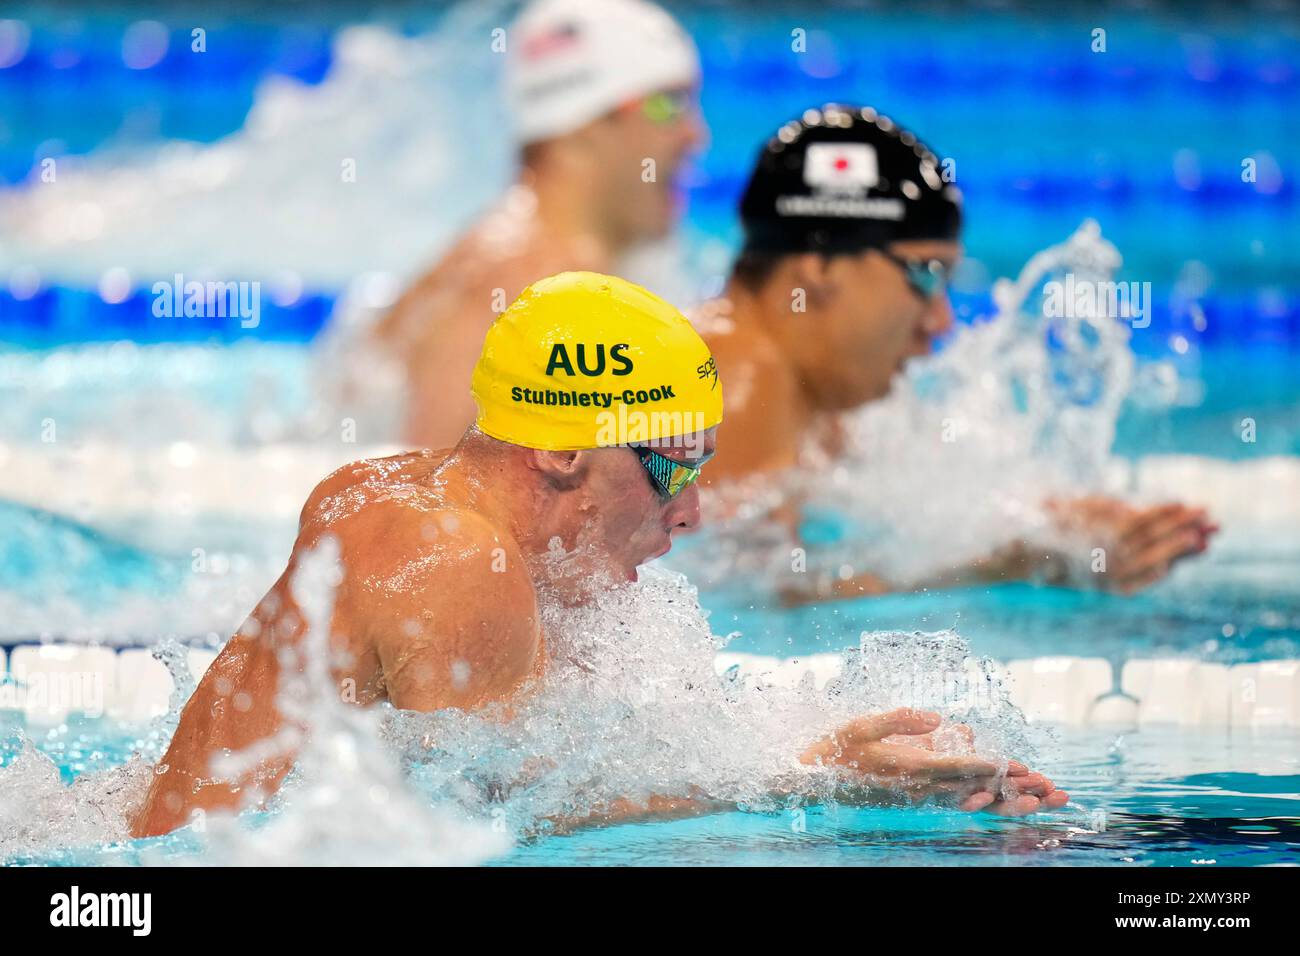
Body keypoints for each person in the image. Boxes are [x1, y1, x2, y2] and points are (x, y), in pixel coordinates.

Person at [131, 272, 1066, 838]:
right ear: (564, 450)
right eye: (672, 469)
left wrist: (805, 741)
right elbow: (495, 819)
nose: (693, 513)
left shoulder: (388, 488)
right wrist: (818, 782)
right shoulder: (460, 560)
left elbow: (563, 752)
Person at [695, 104, 1217, 598]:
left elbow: (891, 497)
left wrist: (1063, 527)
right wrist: (1017, 566)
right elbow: (756, 602)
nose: (940, 321)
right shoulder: (736, 387)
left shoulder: (805, 390)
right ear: (821, 265)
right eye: (924, 275)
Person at [369, 0, 708, 448]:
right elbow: (429, 494)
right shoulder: (520, 289)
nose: (696, 136)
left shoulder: (524, 259)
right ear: (585, 122)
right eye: (669, 104)